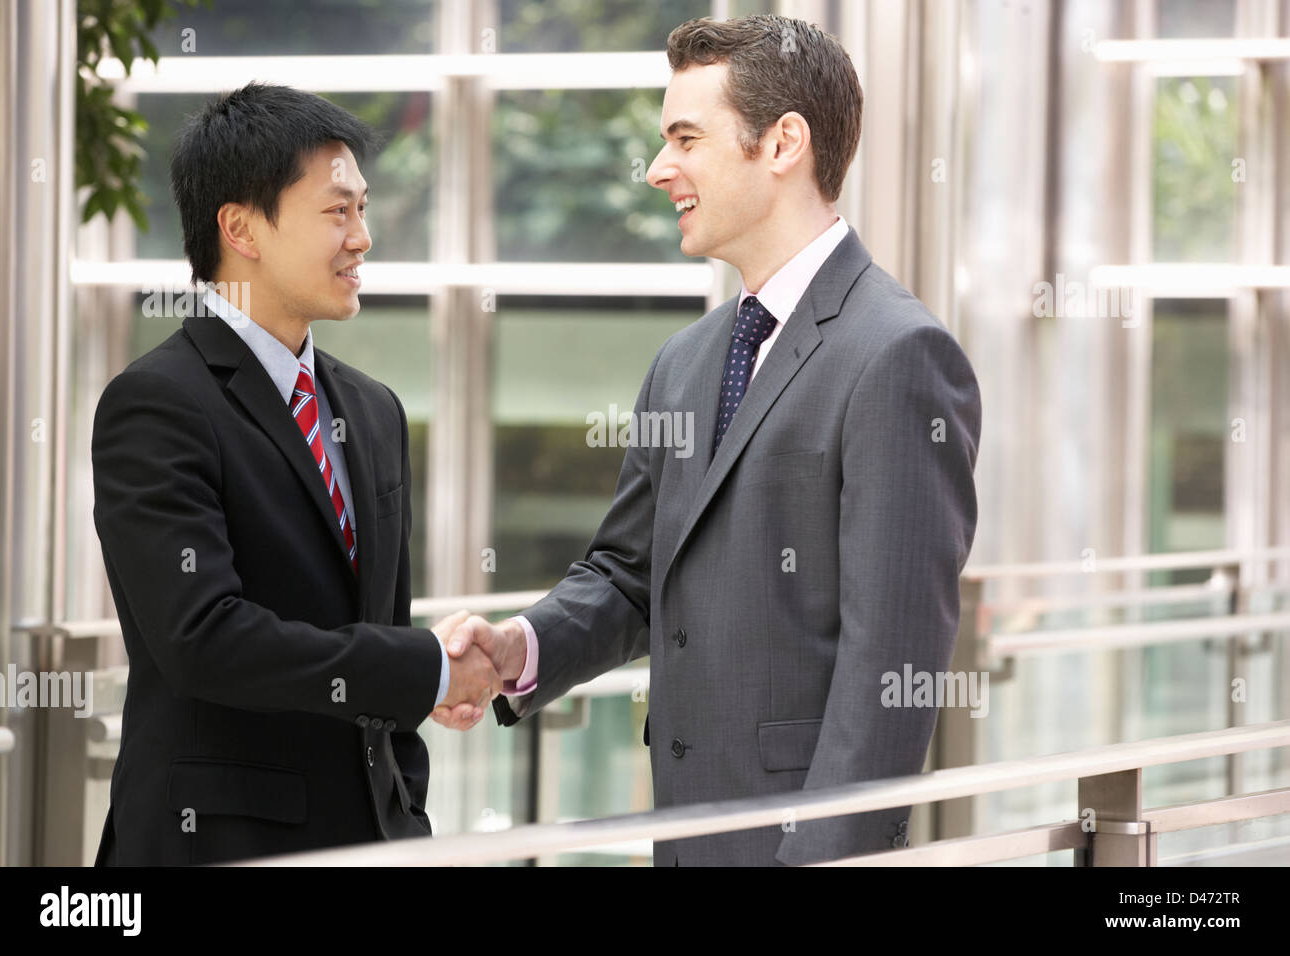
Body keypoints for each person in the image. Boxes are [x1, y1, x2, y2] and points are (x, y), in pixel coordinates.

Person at [435, 14, 983, 866]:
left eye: (685, 138)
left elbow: (891, 673)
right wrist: (523, 646)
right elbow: (628, 575)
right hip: (684, 838)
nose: (659, 170)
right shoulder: (686, 361)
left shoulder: (900, 356)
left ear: (782, 144)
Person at [90, 83, 500, 865]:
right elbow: (203, 638)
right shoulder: (157, 404)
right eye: (336, 211)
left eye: (363, 209)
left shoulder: (373, 410)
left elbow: (376, 621)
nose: (364, 238)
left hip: (374, 843)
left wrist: (405, 801)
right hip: (219, 843)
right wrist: (425, 668)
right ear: (241, 227)